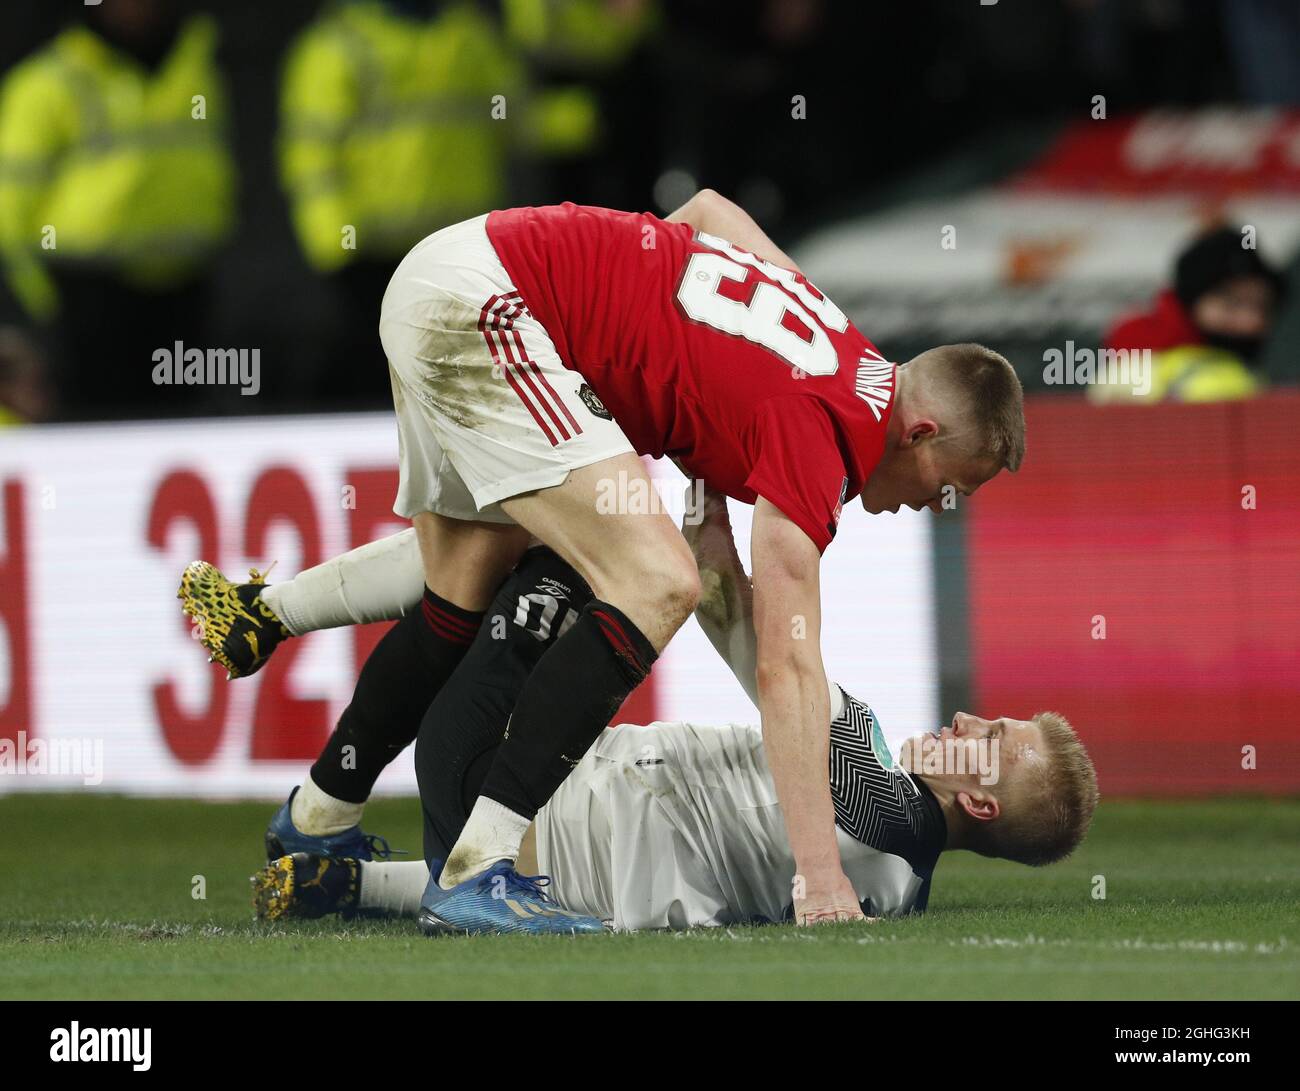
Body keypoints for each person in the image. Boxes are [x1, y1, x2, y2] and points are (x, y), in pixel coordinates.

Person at [185, 188, 1026, 933]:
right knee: (657, 578)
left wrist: (663, 331)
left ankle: (303, 751)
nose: (934, 502)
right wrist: (820, 872)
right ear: (919, 433)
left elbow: (705, 212)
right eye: (951, 483)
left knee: (470, 573)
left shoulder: (834, 340)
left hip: (454, 275)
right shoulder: (825, 446)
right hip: (494, 304)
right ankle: (479, 867)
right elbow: (788, 668)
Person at [246, 489, 1097, 931]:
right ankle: (349, 880)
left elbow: (746, 634)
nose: (969, 722)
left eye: (991, 742)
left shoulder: (877, 791)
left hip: (487, 786)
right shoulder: (904, 889)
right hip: (528, 863)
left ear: (980, 804)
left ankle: (282, 649)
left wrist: (712, 508)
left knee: (549, 534)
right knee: (531, 556)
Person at [0, 0, 235, 418]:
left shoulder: (197, 66)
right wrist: (39, 306)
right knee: (96, 428)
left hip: (187, 289)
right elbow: (10, 210)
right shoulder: (46, 84)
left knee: (185, 424)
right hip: (86, 295)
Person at [1097, 225, 1285, 404]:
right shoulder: (1137, 367)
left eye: (1261, 307)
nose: (1250, 321)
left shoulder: (1246, 371)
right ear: (1191, 301)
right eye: (1231, 304)